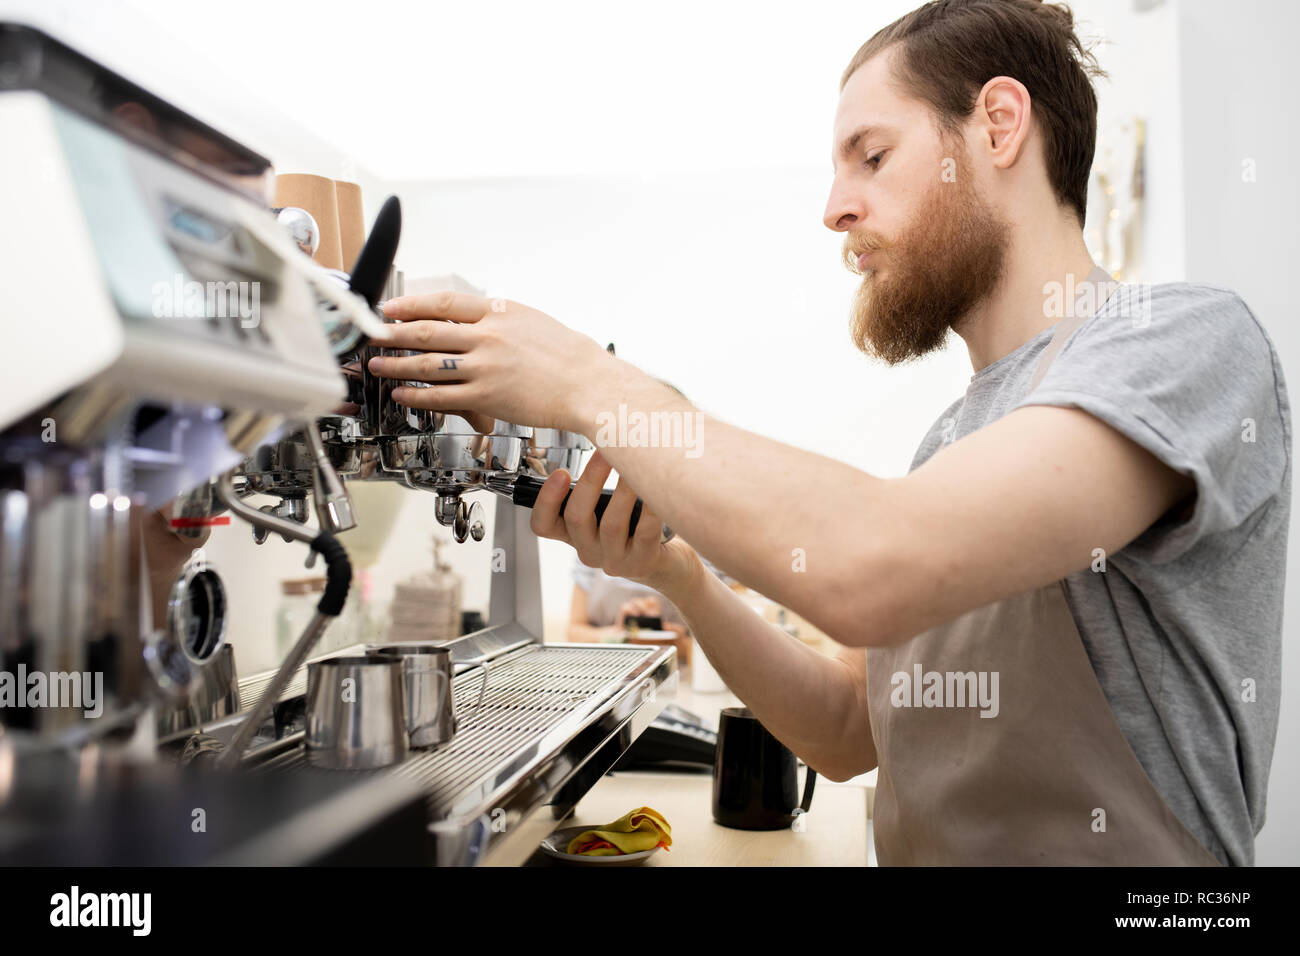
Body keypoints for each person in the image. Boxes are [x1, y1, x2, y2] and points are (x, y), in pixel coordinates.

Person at [367, 0, 1287, 866]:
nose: (835, 208)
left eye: (872, 156)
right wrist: (676, 576)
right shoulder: (954, 443)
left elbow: (873, 561)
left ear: (999, 126)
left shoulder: (1182, 340)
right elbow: (849, 727)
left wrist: (585, 379)